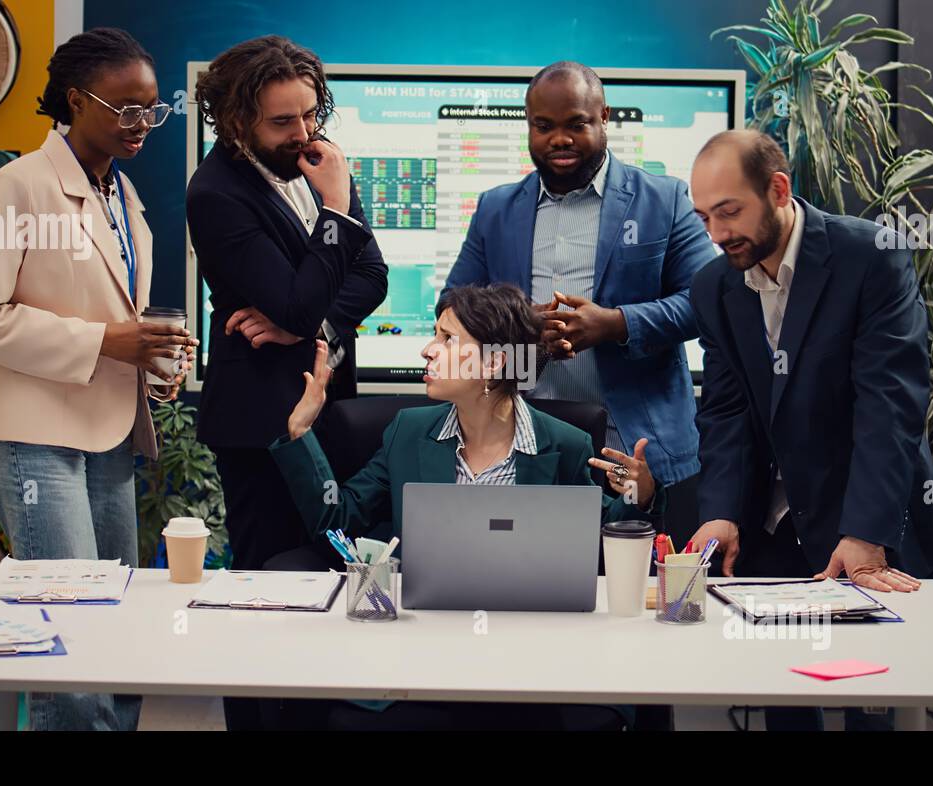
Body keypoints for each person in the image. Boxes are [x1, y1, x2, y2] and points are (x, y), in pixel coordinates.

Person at [265, 283, 662, 730]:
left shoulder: (564, 443)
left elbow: (603, 540)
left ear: (494, 362)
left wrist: (638, 494)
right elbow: (337, 518)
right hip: (426, 642)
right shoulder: (407, 432)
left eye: (447, 339)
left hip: (533, 649)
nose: (426, 351)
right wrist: (301, 431)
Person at [0, 27, 191, 730]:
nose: (142, 124)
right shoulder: (18, 184)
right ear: (76, 101)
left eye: (152, 110)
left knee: (113, 624)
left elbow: (114, 312)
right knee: (70, 631)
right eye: (126, 109)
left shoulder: (121, 193)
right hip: (35, 438)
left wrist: (152, 358)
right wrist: (107, 340)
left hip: (108, 433)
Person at [686, 130, 933, 730]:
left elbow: (890, 406)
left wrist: (864, 531)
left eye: (729, 212)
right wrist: (722, 510)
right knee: (783, 698)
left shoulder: (871, 256)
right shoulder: (714, 285)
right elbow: (725, 412)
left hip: (863, 518)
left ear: (778, 190)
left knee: (875, 702)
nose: (717, 234)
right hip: (775, 530)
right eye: (704, 217)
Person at [185, 35, 388, 733]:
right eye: (283, 122)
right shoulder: (214, 192)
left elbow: (373, 277)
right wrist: (335, 211)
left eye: (310, 115)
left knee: (330, 576)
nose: (304, 134)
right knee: (264, 585)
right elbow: (300, 298)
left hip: (331, 402)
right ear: (236, 120)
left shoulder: (316, 161)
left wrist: (319, 335)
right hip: (260, 421)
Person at [443, 61, 717, 543]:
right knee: (534, 593)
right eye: (543, 126)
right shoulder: (495, 208)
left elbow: (705, 302)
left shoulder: (666, 199)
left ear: (604, 117)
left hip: (637, 449)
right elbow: (451, 306)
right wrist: (518, 322)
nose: (559, 139)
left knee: (647, 600)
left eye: (576, 124)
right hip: (529, 446)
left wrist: (615, 324)